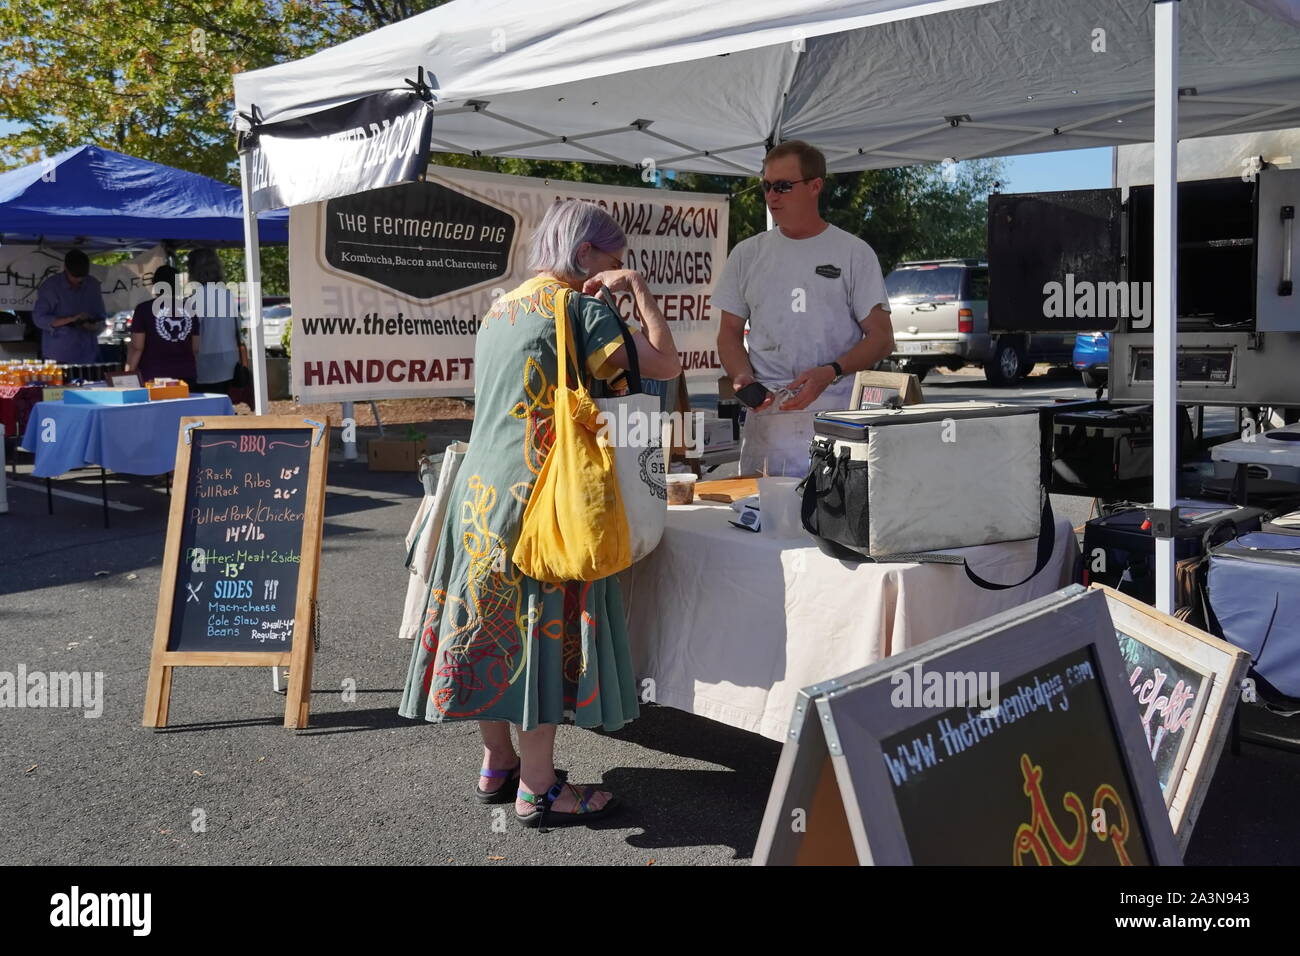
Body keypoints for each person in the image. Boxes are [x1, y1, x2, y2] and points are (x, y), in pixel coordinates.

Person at [399, 199, 680, 829]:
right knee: (540, 638)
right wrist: (637, 291)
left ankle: (497, 764)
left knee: (487, 631)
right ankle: (540, 788)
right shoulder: (580, 309)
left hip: (477, 495)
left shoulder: (500, 307)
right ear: (586, 256)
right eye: (615, 260)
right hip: (541, 500)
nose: (616, 271)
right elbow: (665, 365)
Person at [714, 140, 896, 476]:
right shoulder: (747, 254)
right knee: (761, 522)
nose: (772, 196)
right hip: (766, 419)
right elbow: (728, 334)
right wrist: (742, 378)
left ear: (815, 186)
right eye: (766, 186)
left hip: (835, 420)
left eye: (783, 186)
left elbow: (882, 337)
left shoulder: (853, 252)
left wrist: (830, 372)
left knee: (829, 522)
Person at [187, 248, 248, 400]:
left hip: (205, 363)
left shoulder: (195, 299)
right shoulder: (227, 294)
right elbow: (237, 328)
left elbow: (192, 333)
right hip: (230, 361)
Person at [124, 265, 199, 387]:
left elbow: (137, 347)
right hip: (185, 375)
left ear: (155, 284)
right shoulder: (190, 310)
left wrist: (129, 374)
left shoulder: (143, 309)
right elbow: (195, 348)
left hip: (153, 376)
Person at [31, 249, 107, 364]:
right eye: (74, 276)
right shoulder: (51, 286)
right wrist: (71, 320)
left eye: (82, 277)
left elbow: (101, 315)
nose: (78, 280)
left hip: (88, 353)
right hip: (59, 354)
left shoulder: (93, 284)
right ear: (65, 267)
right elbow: (39, 318)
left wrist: (94, 325)